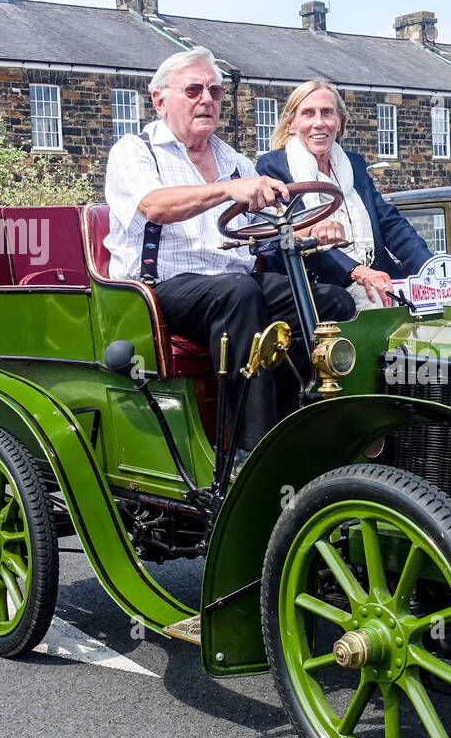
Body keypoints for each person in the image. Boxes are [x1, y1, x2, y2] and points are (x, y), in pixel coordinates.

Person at [104, 48, 355, 458]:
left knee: (329, 300)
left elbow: (275, 218)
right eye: (194, 89)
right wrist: (225, 189)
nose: (207, 99)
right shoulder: (135, 150)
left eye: (216, 91)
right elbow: (155, 205)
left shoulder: (232, 158)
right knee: (239, 293)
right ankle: (247, 450)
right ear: (160, 99)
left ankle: (293, 420)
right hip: (158, 289)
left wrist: (318, 227)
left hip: (231, 284)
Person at [256, 80, 433, 311]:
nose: (318, 123)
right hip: (319, 282)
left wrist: (433, 269)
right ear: (291, 124)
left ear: (339, 122)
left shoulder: (354, 164)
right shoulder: (274, 166)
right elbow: (291, 234)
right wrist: (355, 271)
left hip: (376, 273)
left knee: (435, 300)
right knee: (378, 302)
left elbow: (391, 225)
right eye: (308, 114)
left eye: (327, 113)